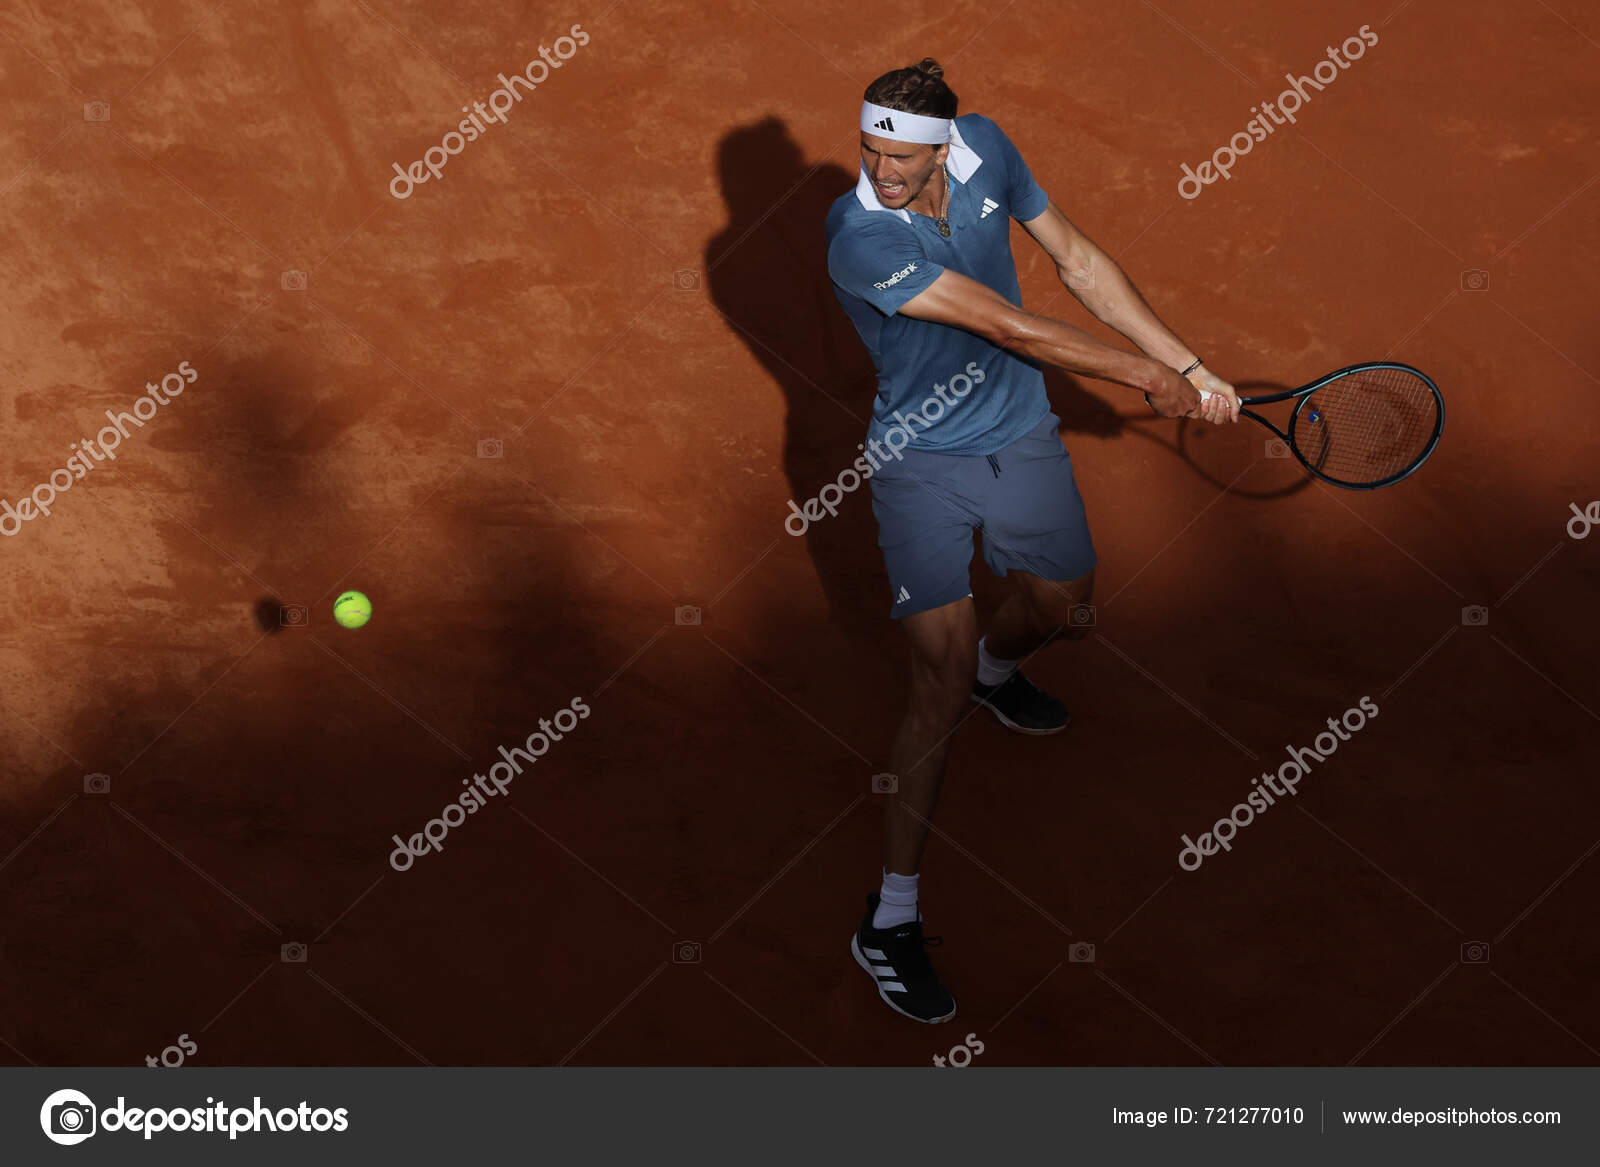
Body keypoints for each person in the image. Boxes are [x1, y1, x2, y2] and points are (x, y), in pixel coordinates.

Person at [824, 58, 1240, 1023]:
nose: (880, 172)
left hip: (1018, 435)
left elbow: (1079, 260)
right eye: (868, 151)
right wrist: (1145, 377)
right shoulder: (858, 235)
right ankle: (889, 920)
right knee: (936, 675)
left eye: (899, 158)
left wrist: (1189, 363)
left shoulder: (990, 149)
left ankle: (997, 674)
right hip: (918, 459)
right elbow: (1008, 324)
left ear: (942, 150)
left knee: (1066, 607)